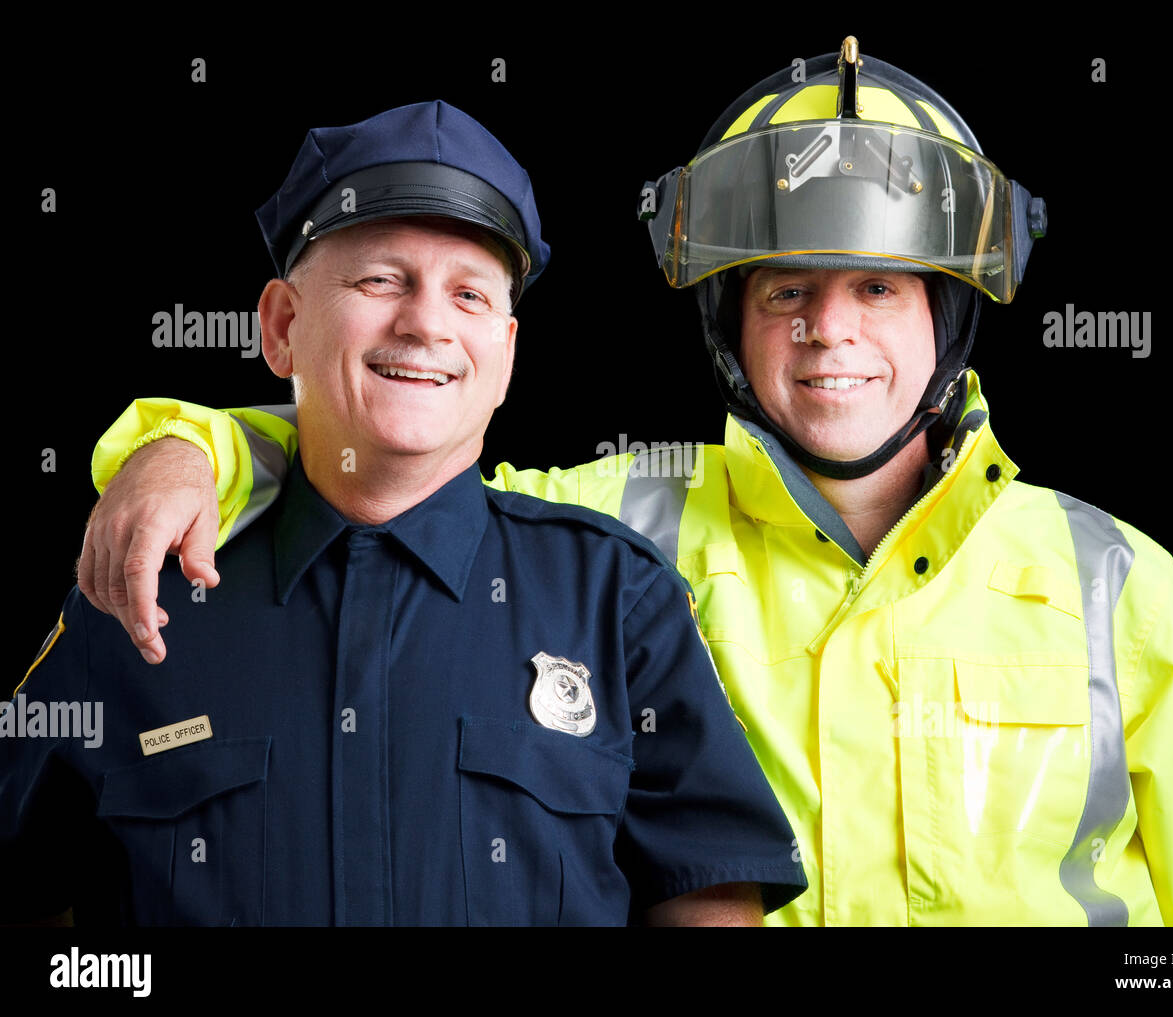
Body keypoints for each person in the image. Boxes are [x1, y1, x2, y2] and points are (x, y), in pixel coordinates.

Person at [73, 42, 1173, 926]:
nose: (831, 332)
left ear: (948, 317)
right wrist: (188, 447)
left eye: (877, 287)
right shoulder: (614, 535)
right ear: (730, 321)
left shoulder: (1108, 580)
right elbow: (392, 458)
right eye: (786, 291)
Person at [0, 100, 809, 926]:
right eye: (382, 279)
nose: (425, 322)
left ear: (506, 356)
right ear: (282, 326)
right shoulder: (139, 591)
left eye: (468, 295)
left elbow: (710, 901)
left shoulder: (618, 599)